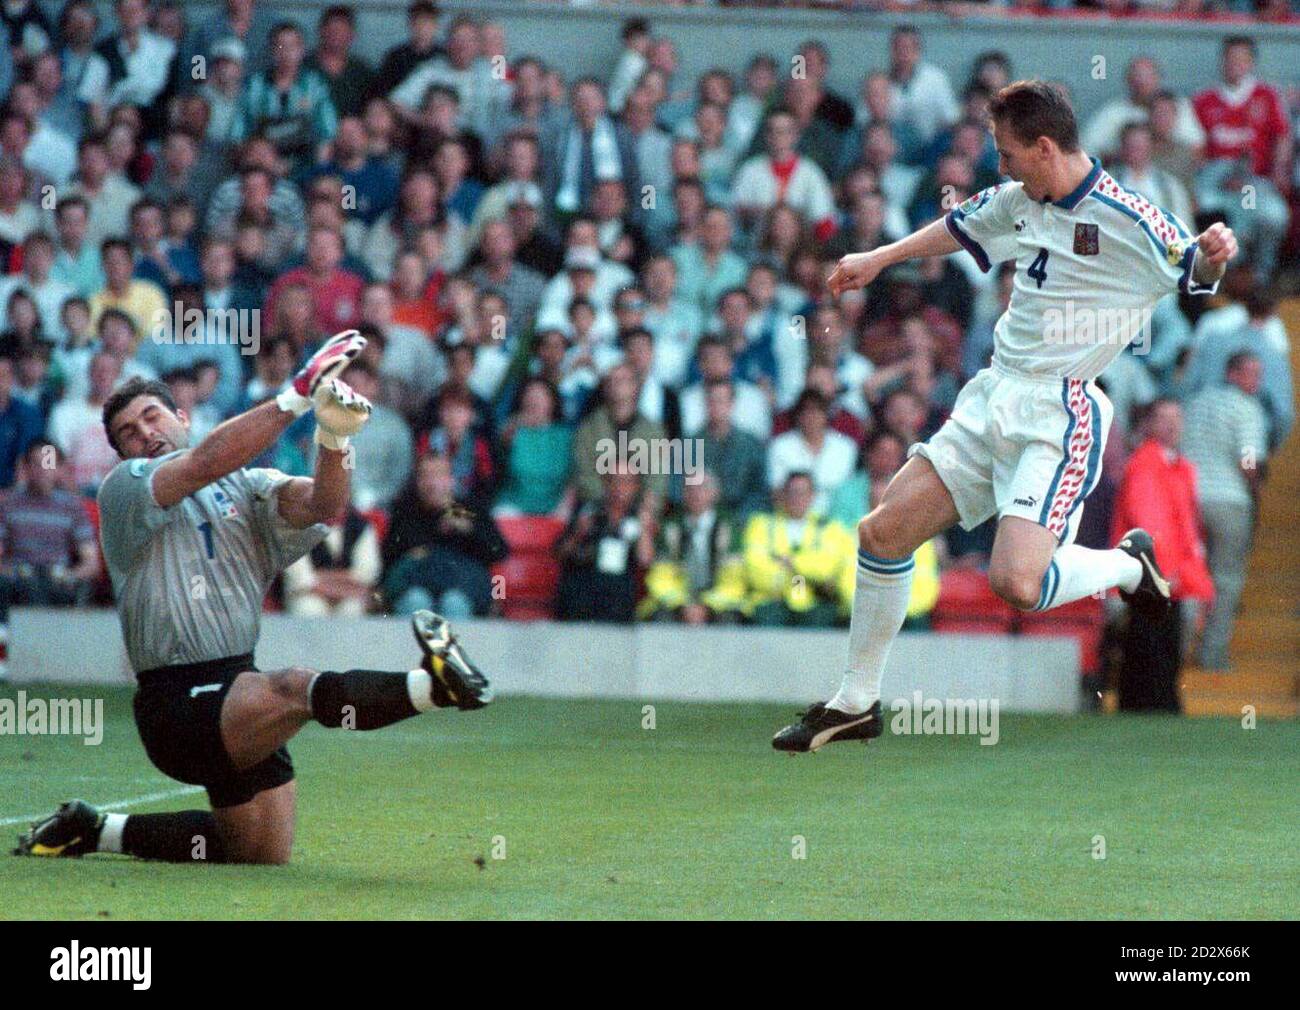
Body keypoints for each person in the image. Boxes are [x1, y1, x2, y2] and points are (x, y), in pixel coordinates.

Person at [772, 79, 1236, 752]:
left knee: (1016, 583)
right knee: (881, 533)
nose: (1001, 164)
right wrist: (878, 258)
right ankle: (856, 702)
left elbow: (1188, 260)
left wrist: (1214, 251)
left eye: (1007, 151)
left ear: (1045, 147)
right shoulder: (1021, 199)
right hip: (993, 395)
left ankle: (1128, 568)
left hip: (1060, 411)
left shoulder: (1127, 216)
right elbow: (957, 227)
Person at [15, 332, 493, 866]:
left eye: (152, 417)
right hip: (175, 705)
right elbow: (202, 465)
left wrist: (333, 438)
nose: (144, 434)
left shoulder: (248, 485)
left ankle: (96, 829)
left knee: (258, 853)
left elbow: (324, 505)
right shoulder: (125, 489)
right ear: (121, 453)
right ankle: (434, 686)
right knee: (293, 687)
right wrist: (297, 395)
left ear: (182, 415)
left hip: (237, 684)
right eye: (128, 433)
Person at [1109, 400, 1214, 711]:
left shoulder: (1177, 466)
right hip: (1151, 570)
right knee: (1151, 641)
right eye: (1164, 419)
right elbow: (1148, 518)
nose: (1172, 425)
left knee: (1160, 641)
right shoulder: (1147, 464)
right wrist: (1162, 568)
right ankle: (1152, 705)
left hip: (1168, 570)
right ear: (1150, 424)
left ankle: (1152, 704)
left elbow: (1185, 523)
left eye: (1177, 418)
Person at [1181, 353, 1270, 671]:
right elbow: (1248, 459)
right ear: (1232, 373)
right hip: (1229, 500)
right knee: (1226, 578)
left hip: (1190, 499)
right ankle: (1212, 655)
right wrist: (1256, 488)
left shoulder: (1195, 402)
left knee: (1188, 575)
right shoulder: (1248, 408)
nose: (1256, 381)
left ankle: (1178, 649)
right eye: (1251, 373)